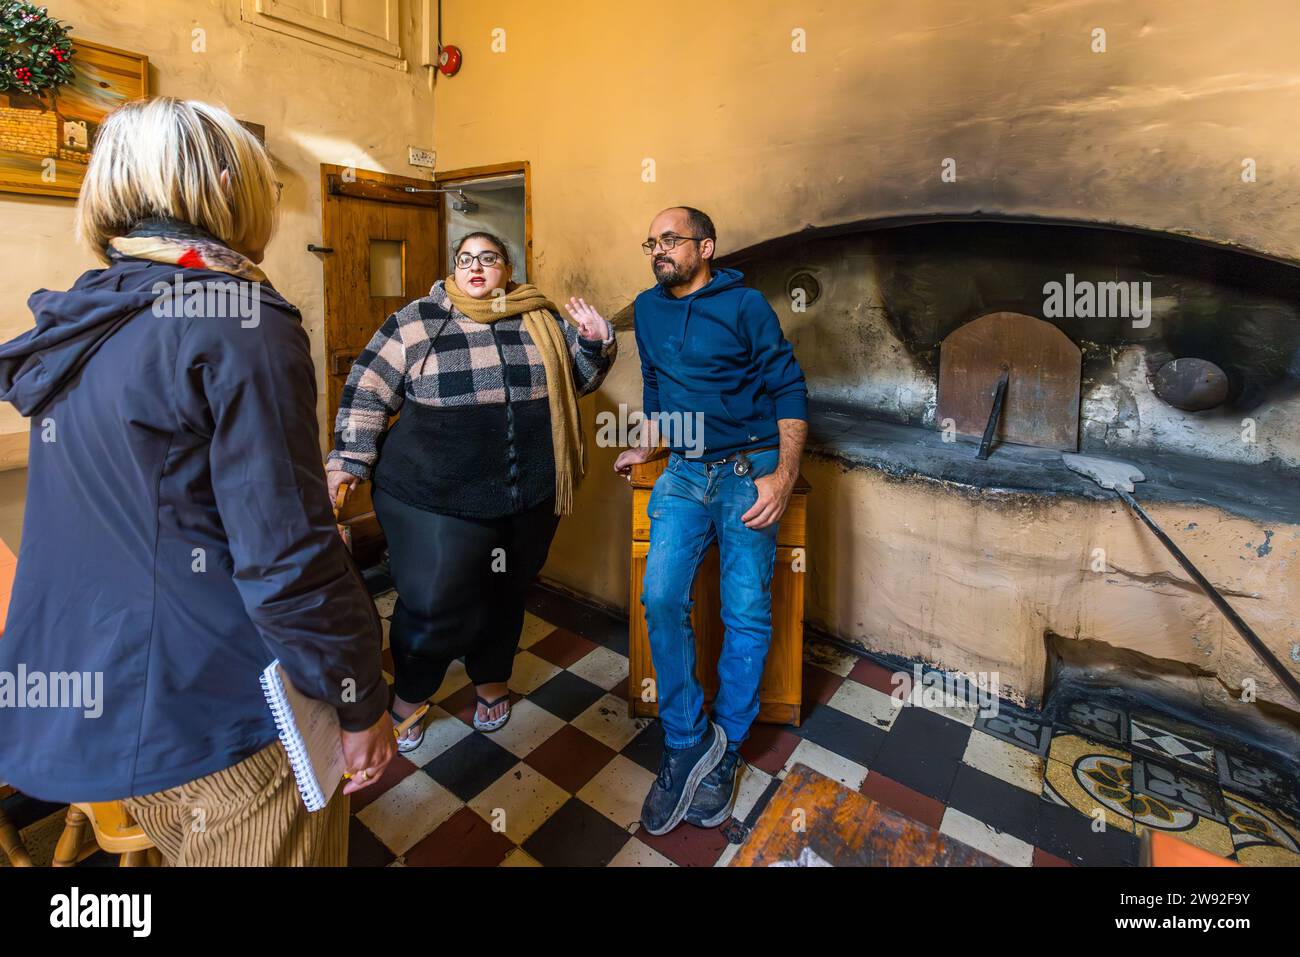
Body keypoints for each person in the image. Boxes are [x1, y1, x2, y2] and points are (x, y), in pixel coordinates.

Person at [0, 97, 394, 865]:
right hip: (233, 715)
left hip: (127, 709)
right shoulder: (239, 317)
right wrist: (360, 695)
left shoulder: (91, 322)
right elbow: (287, 559)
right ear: (222, 182)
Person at [327, 232, 616, 748]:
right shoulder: (420, 319)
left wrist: (594, 342)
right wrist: (349, 459)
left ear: (507, 268)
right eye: (466, 260)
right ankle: (410, 696)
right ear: (453, 269)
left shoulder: (540, 319)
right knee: (435, 602)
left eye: (489, 259)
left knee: (503, 592)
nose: (476, 268)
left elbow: (579, 380)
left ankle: (490, 680)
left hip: (525, 491)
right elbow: (368, 387)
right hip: (431, 494)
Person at [615, 207, 808, 835]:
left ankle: (723, 748)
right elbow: (653, 384)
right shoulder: (647, 308)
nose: (658, 250)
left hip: (747, 469)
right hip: (684, 471)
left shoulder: (746, 304)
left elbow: (788, 386)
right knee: (661, 596)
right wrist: (646, 445)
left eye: (670, 239)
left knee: (745, 610)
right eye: (652, 241)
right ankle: (685, 740)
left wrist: (781, 475)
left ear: (707, 246)